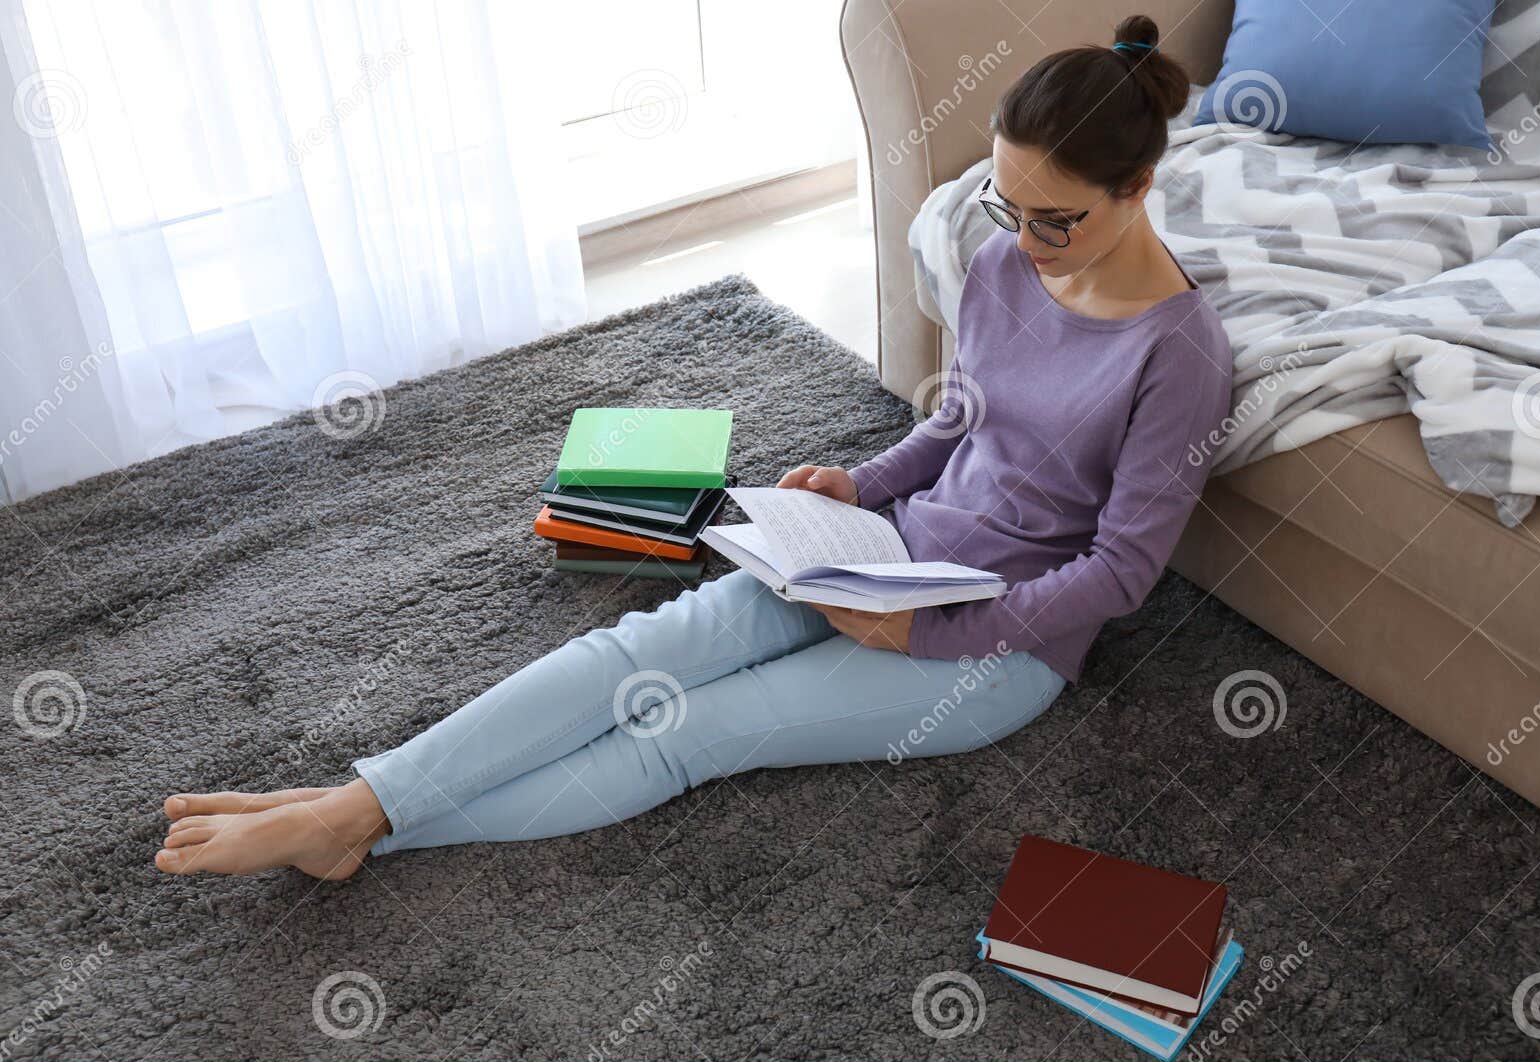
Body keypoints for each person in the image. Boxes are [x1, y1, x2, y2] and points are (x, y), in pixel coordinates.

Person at [155, 14, 1234, 879]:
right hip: (884, 548)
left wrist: (929, 639)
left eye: (1056, 219)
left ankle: (357, 823)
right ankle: (349, 801)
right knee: (628, 657)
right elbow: (959, 420)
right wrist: (859, 483)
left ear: (1135, 191)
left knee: (683, 732)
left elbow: (1120, 572)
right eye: (1008, 204)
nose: (1024, 238)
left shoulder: (1178, 354)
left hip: (996, 651)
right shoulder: (1003, 261)